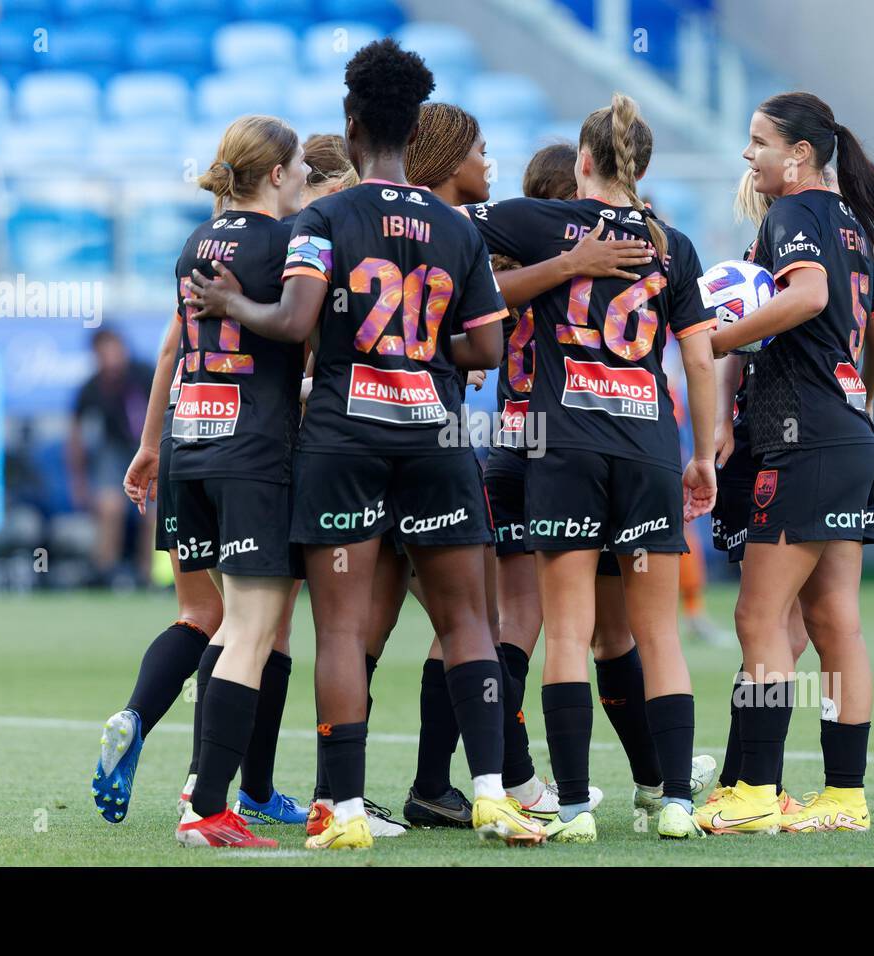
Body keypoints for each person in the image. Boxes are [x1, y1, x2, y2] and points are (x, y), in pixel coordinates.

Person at [185, 39, 546, 850]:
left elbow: (294, 323)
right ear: (415, 130)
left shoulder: (323, 216)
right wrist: (421, 356)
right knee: (466, 623)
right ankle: (492, 794)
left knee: (342, 630)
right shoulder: (455, 227)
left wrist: (233, 304)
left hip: (343, 436)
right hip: (436, 435)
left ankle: (341, 809)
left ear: (350, 128)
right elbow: (488, 350)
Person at [468, 92, 721, 842]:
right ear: (641, 165)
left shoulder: (539, 219)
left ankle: (574, 806)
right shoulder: (672, 243)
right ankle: (675, 801)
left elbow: (444, 223)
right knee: (658, 635)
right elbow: (701, 360)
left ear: (581, 162)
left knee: (570, 631)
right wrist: (702, 454)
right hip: (648, 446)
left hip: (564, 445)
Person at [700, 92, 874, 834]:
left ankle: (756, 793)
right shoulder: (850, 229)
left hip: (802, 441)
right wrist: (860, 404)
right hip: (847, 439)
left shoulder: (796, 215)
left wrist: (713, 338)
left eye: (758, 141)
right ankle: (844, 797)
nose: (749, 154)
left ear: (798, 155)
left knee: (758, 617)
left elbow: (805, 298)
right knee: (837, 623)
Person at [147, 114, 310, 848]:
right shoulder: (286, 242)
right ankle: (207, 808)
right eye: (300, 164)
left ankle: (202, 793)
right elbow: (302, 328)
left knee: (227, 625)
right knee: (251, 628)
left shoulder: (194, 242)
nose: (305, 174)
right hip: (253, 447)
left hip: (196, 439)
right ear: (275, 174)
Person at [67, 327, 154, 585]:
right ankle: (106, 573)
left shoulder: (145, 374)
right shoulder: (91, 387)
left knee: (153, 511)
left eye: (115, 349)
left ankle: (149, 577)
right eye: (104, 351)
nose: (111, 356)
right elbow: (75, 435)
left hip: (147, 448)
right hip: (113, 452)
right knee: (109, 506)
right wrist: (79, 481)